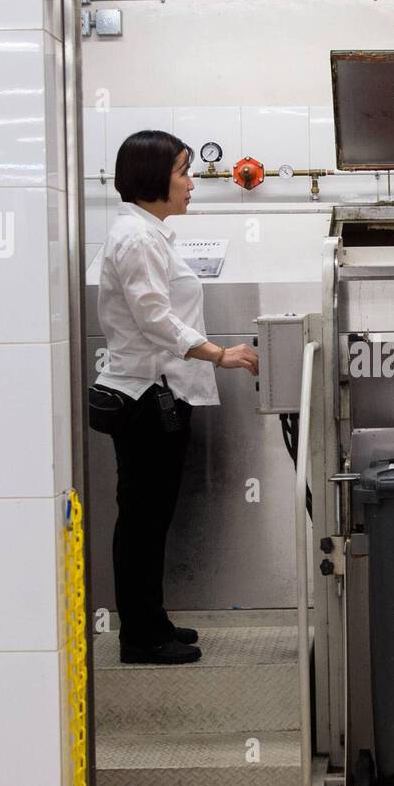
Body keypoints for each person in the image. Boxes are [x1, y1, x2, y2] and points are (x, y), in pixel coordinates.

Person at [93, 130, 258, 663]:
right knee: (142, 519)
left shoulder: (149, 233)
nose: (191, 183)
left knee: (151, 516)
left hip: (157, 394)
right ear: (153, 178)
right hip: (145, 399)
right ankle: (140, 638)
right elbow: (156, 319)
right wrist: (219, 354)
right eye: (184, 172)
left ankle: (152, 620)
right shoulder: (137, 239)